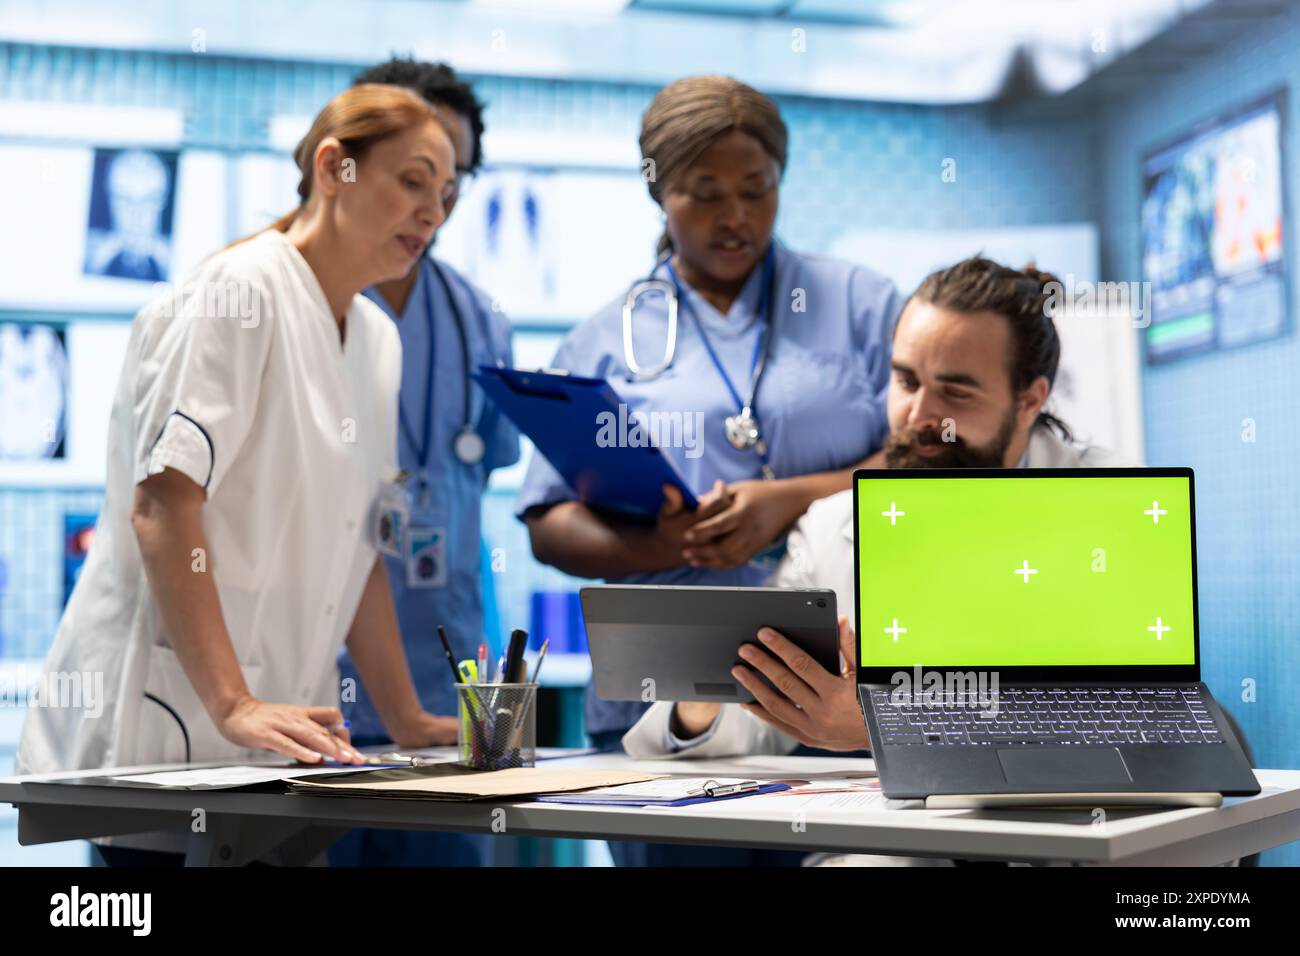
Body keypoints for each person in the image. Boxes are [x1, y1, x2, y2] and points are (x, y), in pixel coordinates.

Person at [18, 83, 462, 865]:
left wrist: (407, 716)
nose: (433, 211)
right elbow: (164, 504)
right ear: (335, 168)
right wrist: (233, 702)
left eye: (448, 194)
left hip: (285, 751)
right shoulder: (239, 291)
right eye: (413, 180)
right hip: (172, 734)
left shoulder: (377, 339)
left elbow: (362, 545)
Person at [516, 75, 901, 865]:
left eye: (756, 190)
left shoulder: (861, 305)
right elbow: (549, 526)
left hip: (844, 683)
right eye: (703, 194)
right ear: (658, 191)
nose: (736, 217)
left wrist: (788, 501)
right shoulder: (602, 339)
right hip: (662, 690)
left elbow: (931, 454)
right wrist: (673, 545)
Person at [624, 257, 1128, 763]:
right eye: (907, 381)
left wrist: (887, 724)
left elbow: (1129, 719)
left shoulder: (1112, 506)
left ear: (1029, 400)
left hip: (1060, 835)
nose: (919, 415)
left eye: (955, 392)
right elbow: (759, 720)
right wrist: (706, 701)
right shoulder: (833, 525)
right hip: (892, 841)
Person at [328, 59, 519, 868]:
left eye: (454, 179)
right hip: (314, 695)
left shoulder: (480, 317)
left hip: (443, 690)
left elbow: (485, 467)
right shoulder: (308, 300)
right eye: (416, 173)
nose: (435, 205)